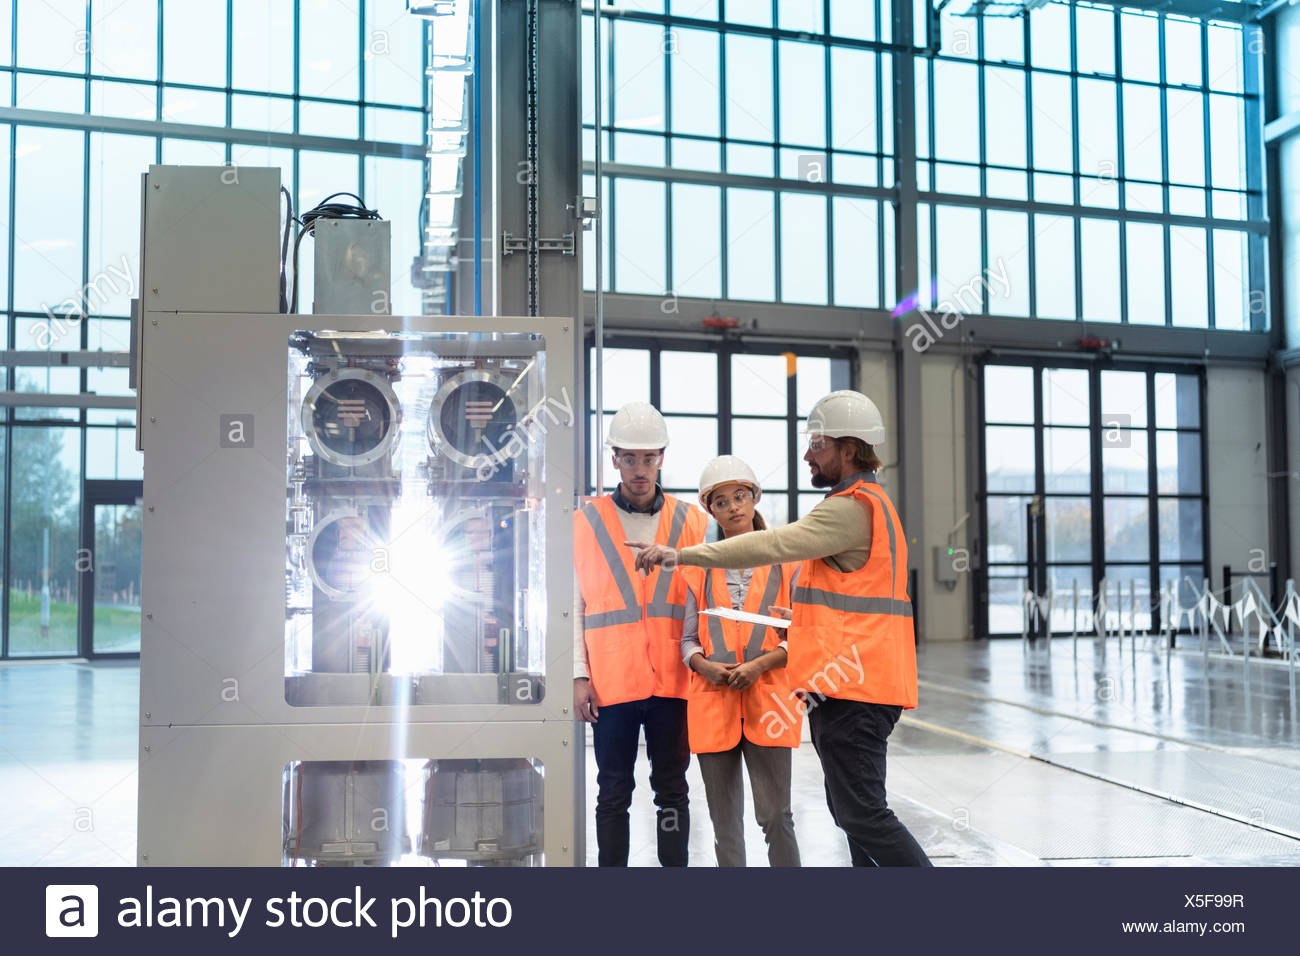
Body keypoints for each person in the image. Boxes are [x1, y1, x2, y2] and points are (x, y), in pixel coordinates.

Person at [627, 391, 931, 867]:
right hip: (851, 683)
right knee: (852, 813)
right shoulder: (872, 506)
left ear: (849, 450)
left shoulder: (849, 508)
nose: (808, 454)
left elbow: (770, 544)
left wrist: (679, 554)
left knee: (863, 814)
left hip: (856, 687)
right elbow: (852, 606)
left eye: (818, 444)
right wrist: (802, 623)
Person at [573, 401, 707, 866]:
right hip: (611, 685)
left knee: (672, 791)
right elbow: (577, 607)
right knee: (613, 792)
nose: (638, 469)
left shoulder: (692, 522)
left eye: (648, 458)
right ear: (614, 459)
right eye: (629, 458)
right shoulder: (585, 521)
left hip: (675, 680)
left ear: (662, 458)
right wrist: (578, 676)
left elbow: (699, 603)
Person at [681, 456, 801, 867]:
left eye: (740, 496)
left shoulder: (787, 563)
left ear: (754, 498)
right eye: (721, 501)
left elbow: (801, 638)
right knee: (724, 825)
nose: (733, 507)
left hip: (769, 702)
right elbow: (687, 640)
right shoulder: (698, 567)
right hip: (713, 704)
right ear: (709, 509)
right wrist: (704, 666)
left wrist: (760, 665)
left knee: (776, 817)